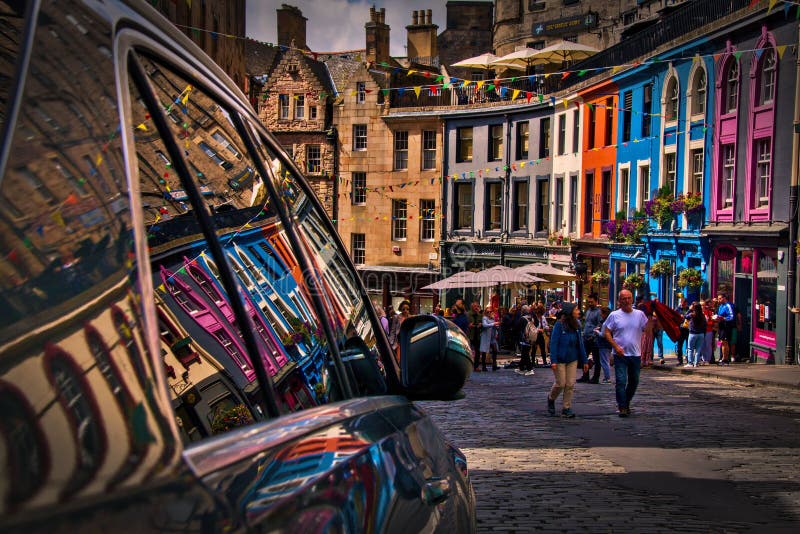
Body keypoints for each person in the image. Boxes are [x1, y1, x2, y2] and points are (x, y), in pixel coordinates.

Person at [603, 289, 649, 417]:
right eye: (623, 298)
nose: (626, 301)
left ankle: (626, 401)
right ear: (619, 301)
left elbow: (648, 329)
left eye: (628, 298)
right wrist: (615, 346)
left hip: (635, 354)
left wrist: (654, 318)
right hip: (620, 354)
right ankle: (622, 406)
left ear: (632, 299)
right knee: (621, 381)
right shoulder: (614, 315)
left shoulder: (640, 314)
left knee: (634, 381)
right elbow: (606, 331)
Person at [546, 302, 588, 418]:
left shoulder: (577, 325)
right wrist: (553, 360)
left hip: (572, 358)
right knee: (560, 383)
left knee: (570, 384)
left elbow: (580, 344)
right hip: (560, 359)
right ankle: (551, 398)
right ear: (570, 312)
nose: (578, 311)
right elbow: (554, 343)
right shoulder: (559, 325)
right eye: (576, 309)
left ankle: (566, 407)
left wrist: (584, 360)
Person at [578, 293, 602, 383]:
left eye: (592, 302)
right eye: (589, 302)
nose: (590, 303)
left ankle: (596, 377)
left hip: (594, 339)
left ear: (596, 301)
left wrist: (594, 335)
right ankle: (585, 376)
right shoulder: (588, 311)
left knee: (596, 359)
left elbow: (600, 324)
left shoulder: (598, 312)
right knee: (583, 358)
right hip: (586, 338)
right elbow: (586, 323)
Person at [685, 302, 707, 367]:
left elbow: (685, 316)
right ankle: (696, 363)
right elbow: (705, 324)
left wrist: (689, 309)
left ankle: (690, 363)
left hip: (693, 334)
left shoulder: (692, 314)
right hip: (701, 334)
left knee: (690, 349)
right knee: (698, 349)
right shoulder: (702, 315)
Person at [715, 293, 735, 365]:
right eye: (718, 298)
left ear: (724, 298)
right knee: (722, 342)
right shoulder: (720, 306)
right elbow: (719, 315)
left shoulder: (728, 305)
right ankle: (723, 358)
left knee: (725, 343)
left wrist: (723, 318)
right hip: (721, 326)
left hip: (726, 327)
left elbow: (732, 316)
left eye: (720, 298)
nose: (718, 300)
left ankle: (725, 360)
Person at [479, 306, 499, 371]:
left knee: (495, 350)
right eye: (487, 312)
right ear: (485, 312)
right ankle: (484, 366)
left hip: (492, 337)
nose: (489, 313)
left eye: (490, 311)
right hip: (486, 337)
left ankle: (494, 364)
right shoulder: (484, 318)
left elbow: (494, 327)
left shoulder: (492, 318)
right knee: (484, 352)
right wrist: (493, 324)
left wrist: (496, 331)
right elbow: (485, 325)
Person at [597, 306, 613, 383]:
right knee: (606, 360)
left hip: (603, 344)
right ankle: (607, 377)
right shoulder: (610, 322)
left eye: (601, 313)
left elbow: (603, 335)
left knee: (604, 361)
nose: (600, 315)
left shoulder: (605, 323)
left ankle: (607, 378)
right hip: (609, 344)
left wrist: (597, 332)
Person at [674, 297, 691, 365]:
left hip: (688, 329)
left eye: (683, 303)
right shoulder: (677, 309)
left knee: (689, 346)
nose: (682, 304)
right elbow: (674, 318)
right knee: (679, 346)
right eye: (681, 302)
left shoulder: (689, 309)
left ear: (686, 303)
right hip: (680, 329)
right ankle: (680, 360)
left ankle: (688, 360)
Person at [468, 301, 483, 367]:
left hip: (477, 335)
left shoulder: (480, 315)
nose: (476, 308)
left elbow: (482, 323)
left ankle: (476, 366)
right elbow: (466, 323)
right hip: (470, 334)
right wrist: (469, 325)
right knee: (468, 350)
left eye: (477, 306)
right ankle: (468, 364)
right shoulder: (468, 314)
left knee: (478, 351)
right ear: (472, 307)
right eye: (475, 306)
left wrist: (481, 324)